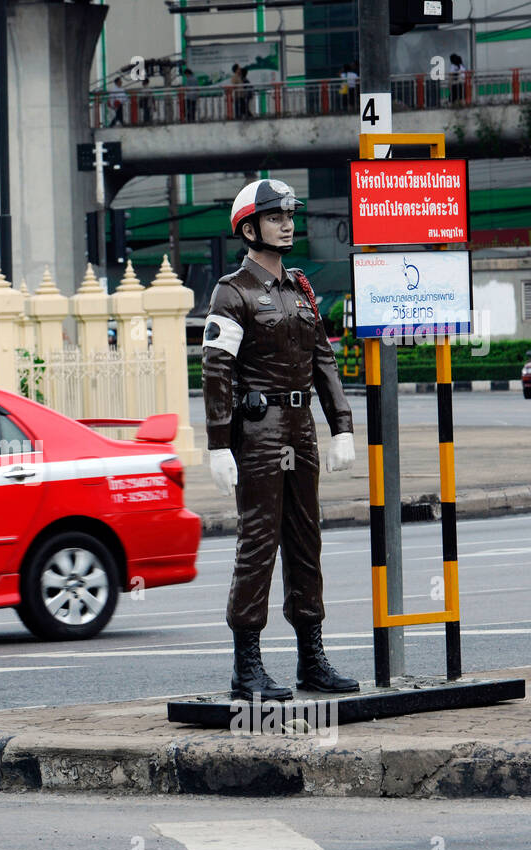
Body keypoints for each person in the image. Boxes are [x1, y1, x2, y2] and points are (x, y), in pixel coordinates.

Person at [201, 178, 359, 700]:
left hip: (301, 430)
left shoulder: (300, 288)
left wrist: (342, 426)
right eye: (275, 217)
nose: (287, 224)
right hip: (259, 432)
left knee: (306, 543)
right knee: (258, 545)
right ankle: (247, 668)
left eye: (290, 215)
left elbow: (323, 360)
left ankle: (311, 659)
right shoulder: (233, 291)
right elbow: (216, 370)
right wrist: (219, 443)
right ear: (249, 228)